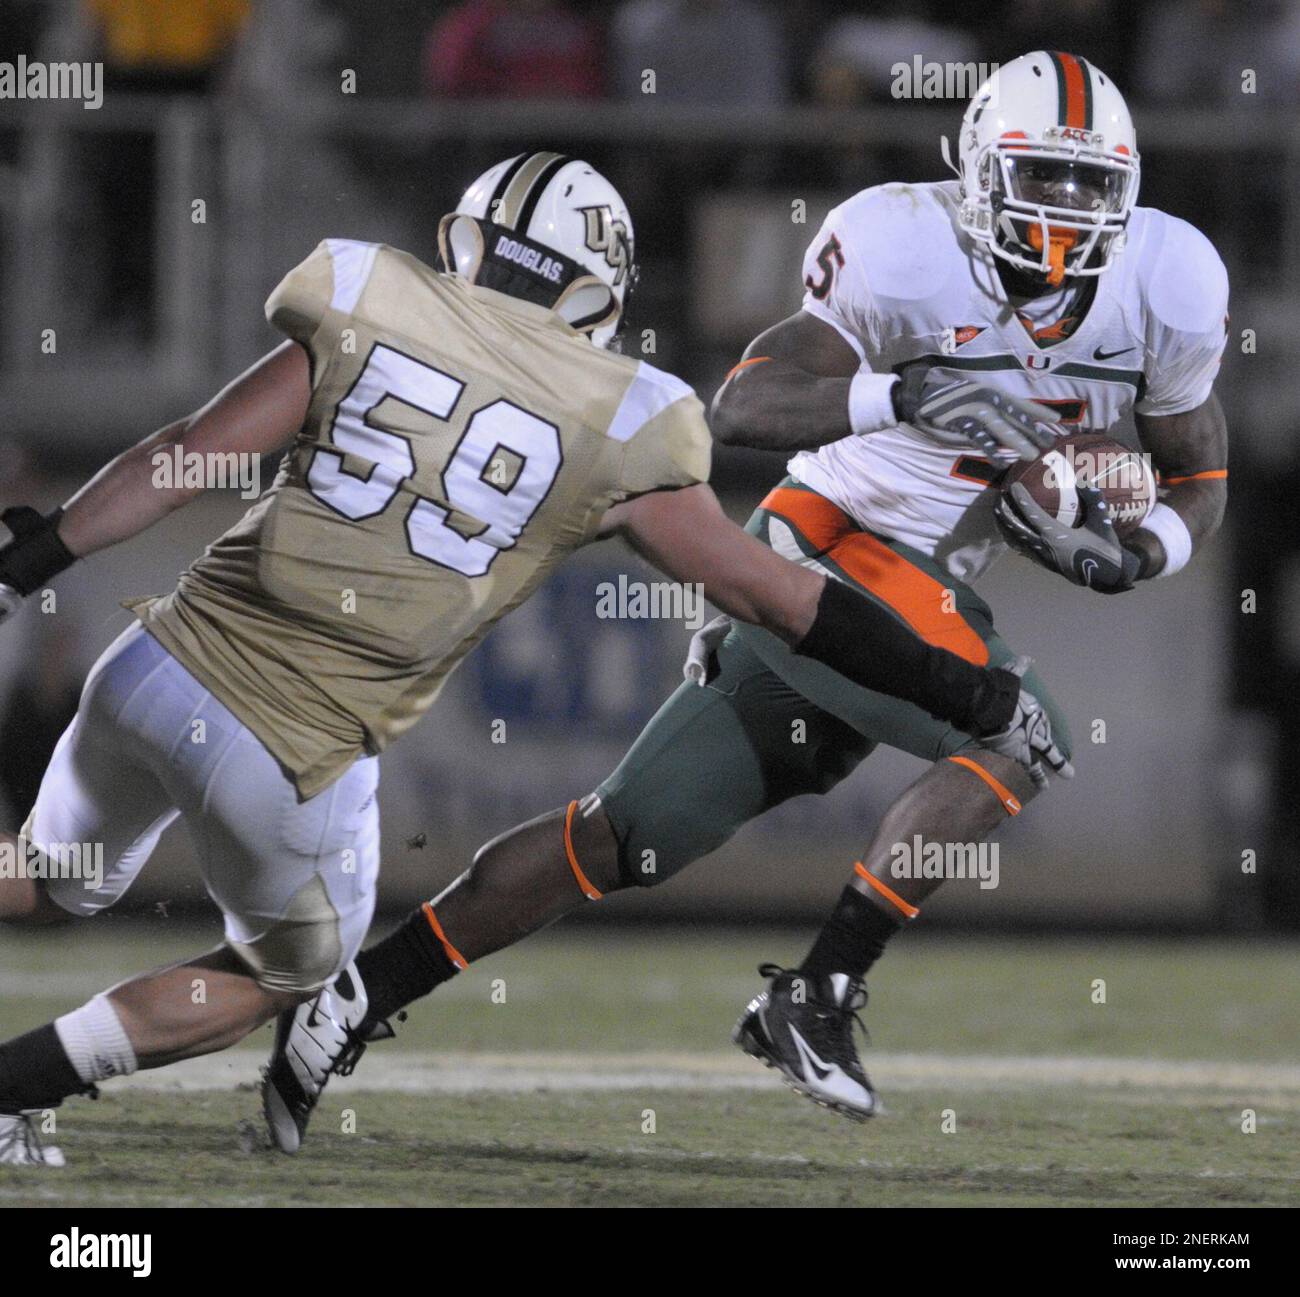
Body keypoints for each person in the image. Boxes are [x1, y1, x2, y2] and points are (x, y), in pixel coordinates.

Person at [0, 152, 1065, 1166]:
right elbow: (776, 598)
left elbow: (186, 454)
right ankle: (13, 1085)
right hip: (296, 746)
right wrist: (957, 685)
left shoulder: (372, 298)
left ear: (471, 235)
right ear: (601, 293)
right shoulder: (624, 417)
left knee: (45, 882)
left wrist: (33, 555)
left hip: (155, 663)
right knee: (286, 972)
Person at [269, 50, 1228, 1139]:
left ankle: (353, 993)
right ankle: (815, 995)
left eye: (1084, 184)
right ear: (972, 166)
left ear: (1127, 187)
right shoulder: (899, 244)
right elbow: (741, 404)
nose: (1061, 210)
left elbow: (1199, 471)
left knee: (626, 836)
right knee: (1023, 733)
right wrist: (899, 391)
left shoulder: (1171, 280)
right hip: (820, 550)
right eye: (1037, 177)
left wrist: (1145, 551)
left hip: (923, 589)